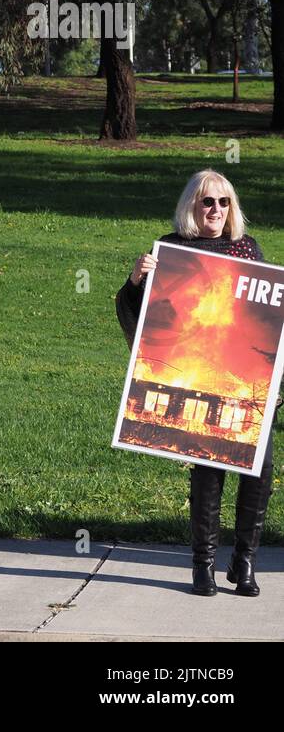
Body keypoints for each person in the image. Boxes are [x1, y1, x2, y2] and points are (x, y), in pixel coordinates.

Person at [116, 169, 275, 597]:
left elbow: (265, 317)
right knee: (209, 466)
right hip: (197, 371)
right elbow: (142, 314)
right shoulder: (172, 250)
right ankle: (202, 565)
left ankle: (244, 562)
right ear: (192, 206)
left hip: (245, 378)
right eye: (207, 202)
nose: (216, 211)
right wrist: (136, 280)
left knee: (260, 469)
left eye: (224, 202)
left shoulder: (247, 249)